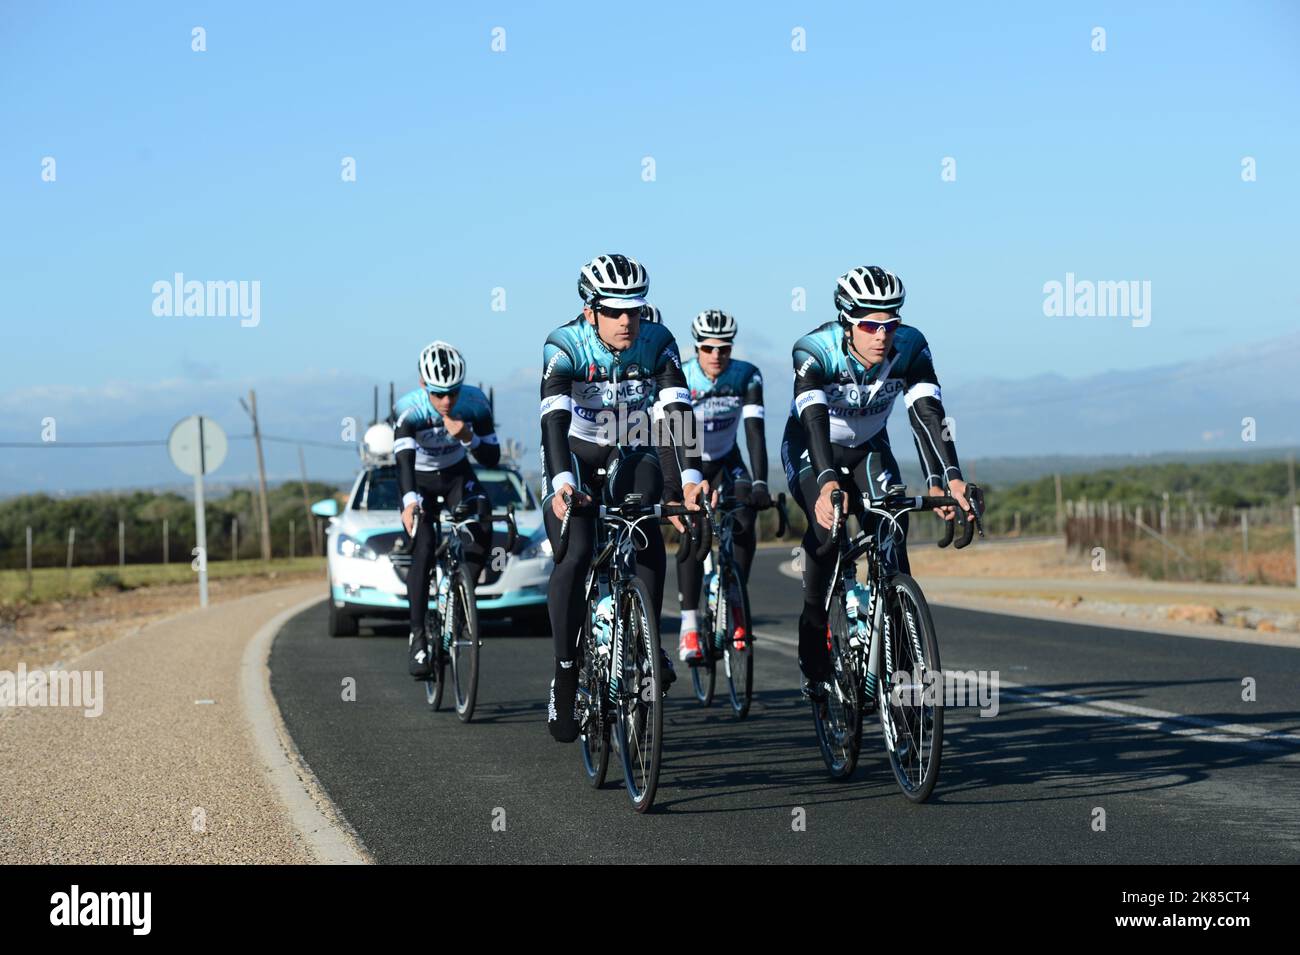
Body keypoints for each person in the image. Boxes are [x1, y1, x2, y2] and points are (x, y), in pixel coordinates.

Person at [783, 266, 975, 695]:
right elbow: (813, 421)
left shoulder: (911, 346)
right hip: (813, 448)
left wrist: (948, 478)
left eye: (891, 324)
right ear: (847, 322)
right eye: (870, 325)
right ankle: (814, 629)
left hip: (870, 447)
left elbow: (927, 414)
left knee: (892, 526)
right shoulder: (814, 350)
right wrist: (828, 480)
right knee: (827, 531)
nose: (882, 335)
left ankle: (900, 658)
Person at [539, 253, 708, 742]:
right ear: (590, 310)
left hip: (631, 450)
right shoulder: (563, 344)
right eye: (614, 311)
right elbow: (551, 419)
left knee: (645, 512)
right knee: (573, 554)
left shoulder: (657, 342)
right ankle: (567, 671)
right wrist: (560, 485)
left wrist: (691, 478)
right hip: (573, 455)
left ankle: (648, 641)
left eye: (634, 309)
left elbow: (676, 409)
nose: (626, 320)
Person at [394, 341, 499, 679]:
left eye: (452, 392)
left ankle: (461, 598)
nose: (446, 401)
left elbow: (492, 459)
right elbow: (404, 463)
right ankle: (418, 637)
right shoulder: (408, 410)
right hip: (420, 481)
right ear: (424, 385)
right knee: (423, 547)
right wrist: (410, 501)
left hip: (456, 475)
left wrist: (470, 437)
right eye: (438, 394)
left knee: (483, 520)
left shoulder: (475, 403)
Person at [675, 309, 769, 662]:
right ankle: (689, 627)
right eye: (709, 348)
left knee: (745, 518)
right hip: (692, 462)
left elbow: (754, 432)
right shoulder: (681, 376)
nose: (717, 355)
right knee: (693, 530)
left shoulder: (746, 376)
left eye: (724, 349)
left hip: (728, 460)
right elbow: (669, 435)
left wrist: (759, 482)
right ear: (697, 347)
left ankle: (735, 601)